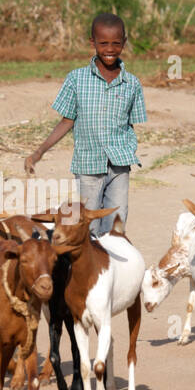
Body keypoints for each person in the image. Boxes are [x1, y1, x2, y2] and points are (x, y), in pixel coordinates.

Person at [25, 13, 146, 236]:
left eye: (116, 43)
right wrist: (39, 152)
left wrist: (129, 150)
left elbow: (131, 124)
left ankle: (112, 268)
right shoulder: (76, 79)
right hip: (88, 165)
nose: (110, 49)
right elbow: (66, 121)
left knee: (116, 224)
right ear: (92, 43)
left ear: (124, 43)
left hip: (120, 165)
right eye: (103, 43)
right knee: (87, 226)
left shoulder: (132, 84)